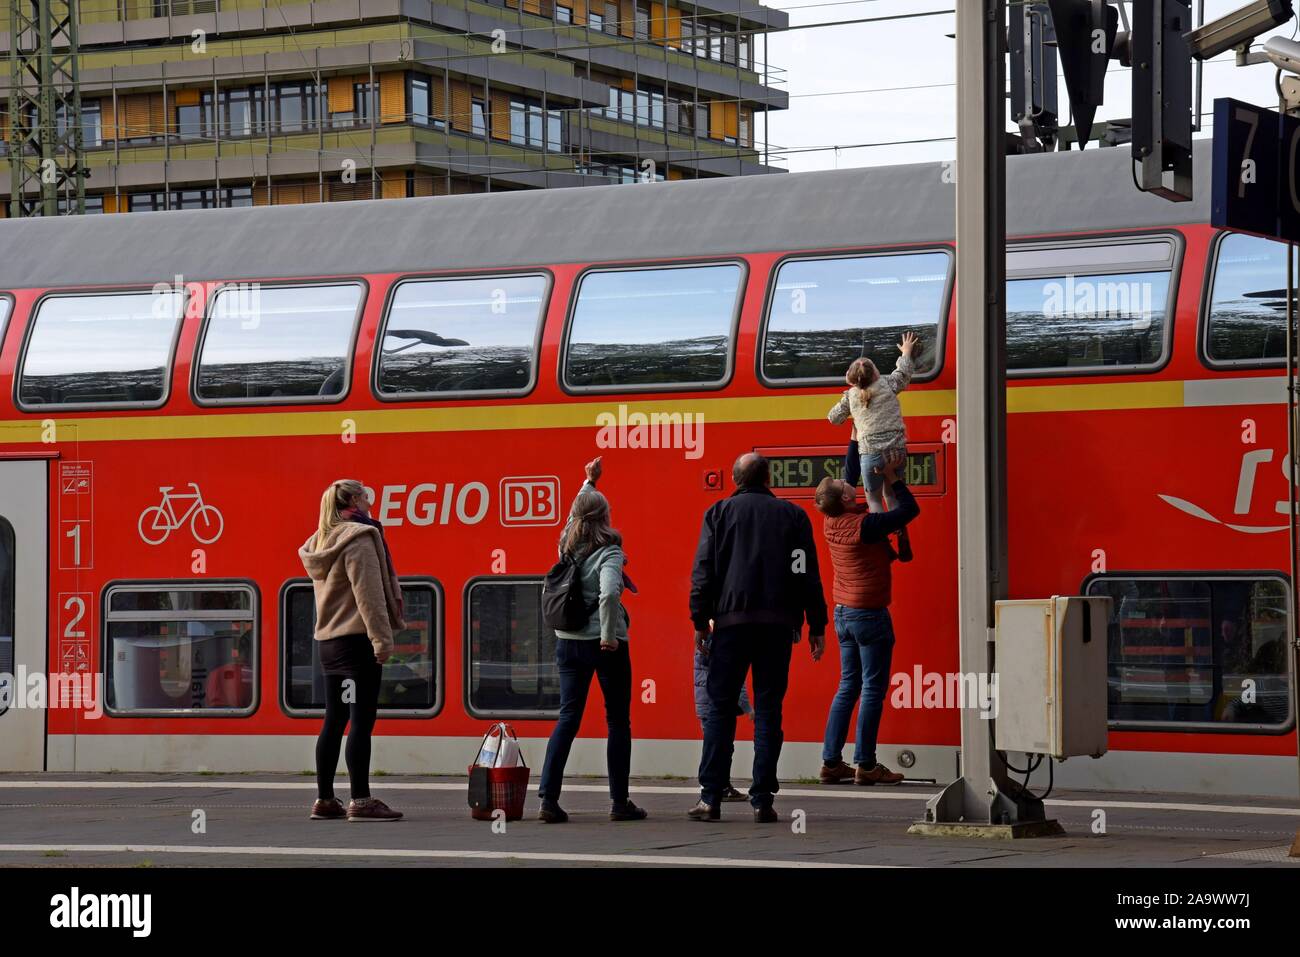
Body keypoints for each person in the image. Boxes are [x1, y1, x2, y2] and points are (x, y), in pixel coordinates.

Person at [688, 452, 827, 822]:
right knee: (768, 710)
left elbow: (704, 571)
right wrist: (816, 624)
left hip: (730, 626)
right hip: (777, 627)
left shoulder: (717, 514)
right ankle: (762, 799)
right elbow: (805, 571)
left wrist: (700, 620)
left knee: (720, 709)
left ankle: (710, 798)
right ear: (768, 478)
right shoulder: (794, 517)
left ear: (736, 480)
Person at [538, 456, 647, 824]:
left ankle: (548, 800)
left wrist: (588, 481)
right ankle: (619, 802)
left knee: (568, 717)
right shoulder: (610, 551)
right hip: (606, 646)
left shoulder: (565, 544)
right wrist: (607, 636)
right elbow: (609, 594)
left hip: (567, 641)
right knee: (618, 721)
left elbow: (575, 514)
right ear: (605, 518)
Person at [299, 479, 405, 822]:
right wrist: (382, 640)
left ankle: (326, 799)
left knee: (335, 719)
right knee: (361, 721)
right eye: (367, 496)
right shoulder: (359, 537)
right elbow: (369, 594)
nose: (371, 502)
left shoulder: (320, 539)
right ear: (355, 500)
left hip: (329, 644)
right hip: (357, 643)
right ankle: (361, 799)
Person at [814, 453, 919, 786]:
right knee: (873, 688)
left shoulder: (832, 519)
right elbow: (909, 511)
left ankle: (831, 762)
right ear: (846, 497)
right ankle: (866, 764)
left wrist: (857, 435)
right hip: (869, 614)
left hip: (843, 613)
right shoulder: (866, 525)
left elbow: (849, 472)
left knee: (848, 686)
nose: (847, 480)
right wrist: (892, 478)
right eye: (842, 484)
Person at [827, 332, 919, 561]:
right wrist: (906, 351)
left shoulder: (850, 395)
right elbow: (904, 372)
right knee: (891, 493)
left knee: (874, 500)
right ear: (877, 373)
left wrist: (849, 397)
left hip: (870, 455)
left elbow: (833, 418)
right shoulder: (888, 384)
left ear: (851, 380)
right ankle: (901, 529)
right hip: (896, 451)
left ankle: (882, 543)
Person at [693, 628, 752, 803]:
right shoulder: (719, 639)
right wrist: (747, 707)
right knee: (721, 747)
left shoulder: (703, 640)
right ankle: (716, 787)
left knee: (719, 746)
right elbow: (734, 678)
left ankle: (720, 786)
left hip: (705, 701)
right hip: (715, 703)